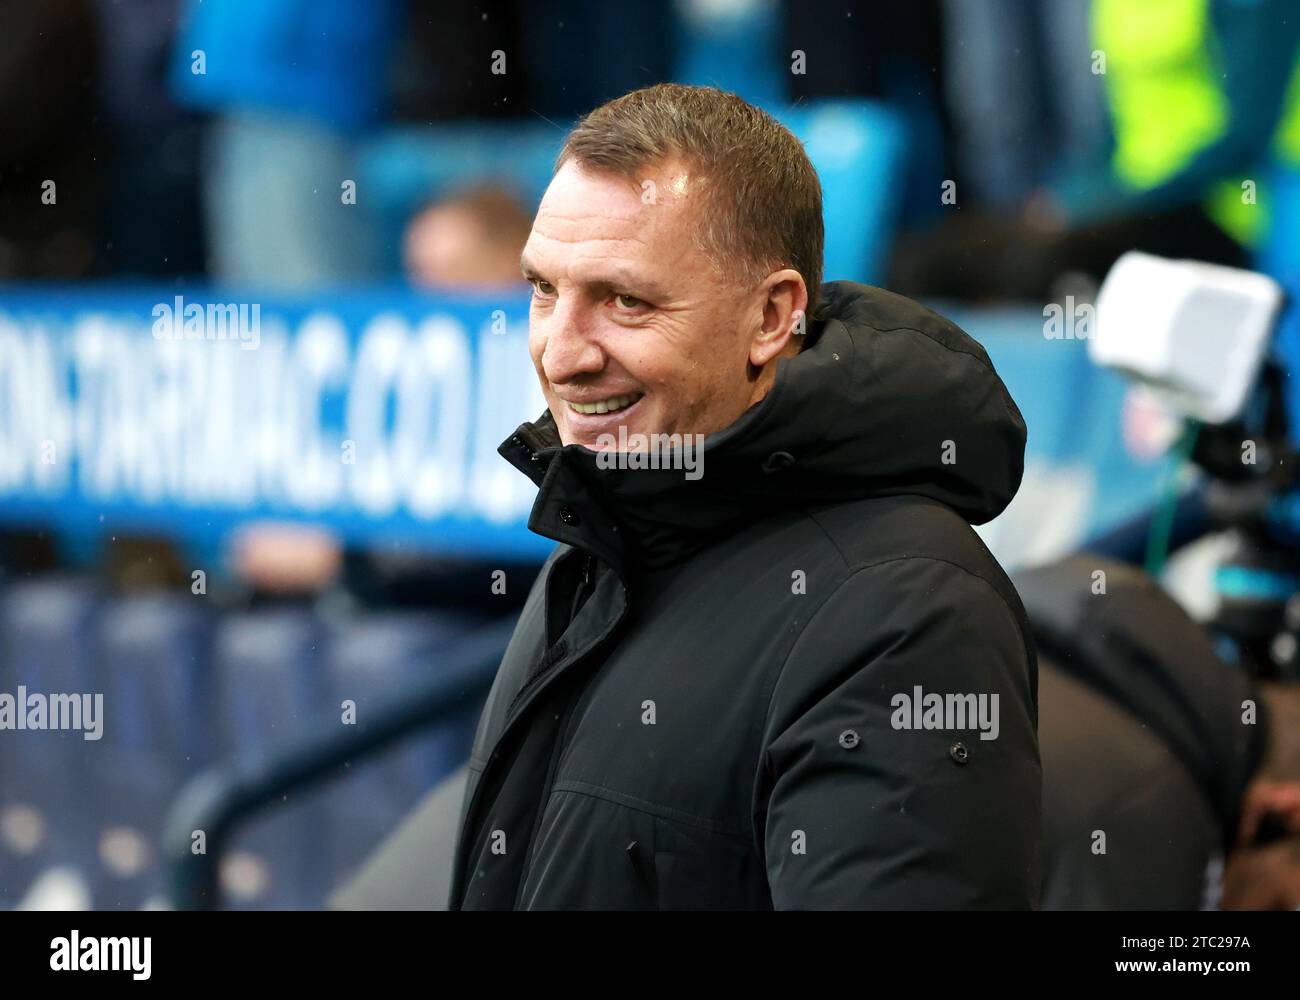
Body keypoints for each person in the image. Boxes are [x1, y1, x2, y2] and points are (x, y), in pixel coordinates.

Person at [443, 83, 1040, 910]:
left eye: (626, 300)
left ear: (772, 317)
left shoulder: (909, 614)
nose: (563, 353)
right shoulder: (601, 544)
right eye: (545, 290)